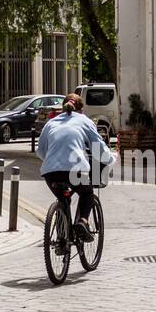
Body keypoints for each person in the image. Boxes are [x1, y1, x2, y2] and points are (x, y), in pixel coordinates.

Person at [37, 93, 113, 242]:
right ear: (81, 109)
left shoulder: (51, 123)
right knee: (86, 194)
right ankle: (82, 222)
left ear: (63, 107)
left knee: (62, 199)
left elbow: (40, 151)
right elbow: (98, 148)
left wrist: (54, 160)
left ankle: (61, 240)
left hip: (51, 171)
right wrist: (111, 158)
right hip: (76, 169)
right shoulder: (84, 121)